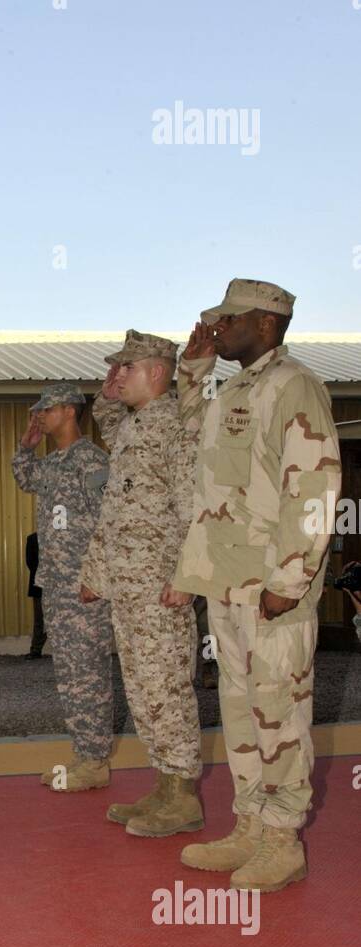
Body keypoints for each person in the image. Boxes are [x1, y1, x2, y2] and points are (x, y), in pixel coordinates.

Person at [171, 279, 341, 892]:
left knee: (280, 712)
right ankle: (248, 827)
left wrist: (291, 580)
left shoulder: (294, 386)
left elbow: (317, 489)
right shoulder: (233, 389)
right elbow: (188, 434)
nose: (217, 327)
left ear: (267, 324)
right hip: (227, 580)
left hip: (271, 586)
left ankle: (282, 840)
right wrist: (194, 366)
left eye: (228, 319)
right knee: (241, 711)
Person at [80, 331, 202, 835]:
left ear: (156, 372)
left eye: (125, 369)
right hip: (130, 588)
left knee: (167, 687)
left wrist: (188, 575)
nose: (117, 377)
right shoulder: (135, 425)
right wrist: (98, 575)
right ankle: (164, 785)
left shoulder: (176, 425)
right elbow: (119, 510)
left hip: (160, 587)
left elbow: (195, 506)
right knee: (142, 688)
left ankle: (185, 797)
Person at [11, 384, 113, 791]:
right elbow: (24, 477)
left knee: (89, 674)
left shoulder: (93, 462)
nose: (39, 416)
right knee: (70, 674)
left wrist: (96, 577)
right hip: (56, 585)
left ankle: (95, 760)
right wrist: (25, 445)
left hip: (84, 588)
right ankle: (84, 754)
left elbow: (111, 523)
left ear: (70, 411)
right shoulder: (52, 463)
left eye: (46, 410)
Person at [24, 531, 47, 658]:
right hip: (39, 585)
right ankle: (36, 650)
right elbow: (30, 562)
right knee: (39, 619)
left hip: (59, 586)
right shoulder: (32, 538)